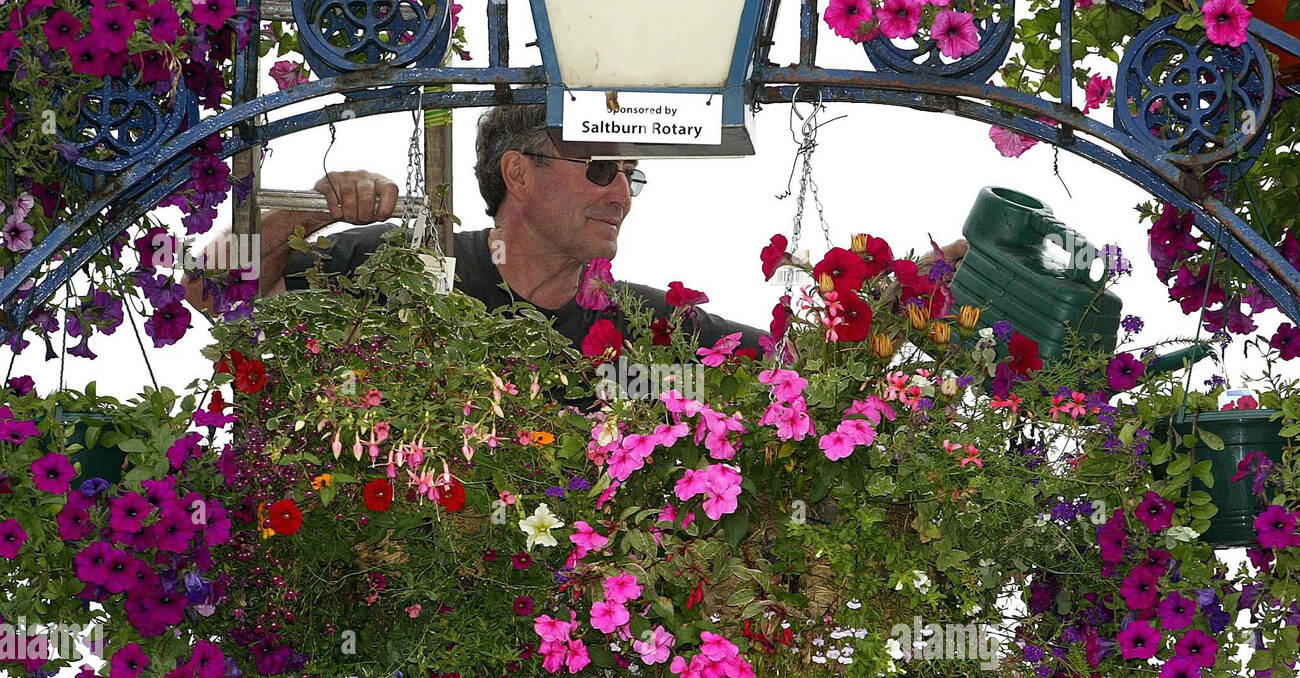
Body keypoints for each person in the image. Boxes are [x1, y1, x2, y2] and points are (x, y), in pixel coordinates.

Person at [185, 103, 967, 359]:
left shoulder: (652, 327)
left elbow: (793, 370)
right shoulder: (400, 263)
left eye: (632, 171)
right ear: (517, 175)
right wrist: (304, 215)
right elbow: (211, 284)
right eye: (600, 168)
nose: (622, 190)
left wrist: (902, 294)